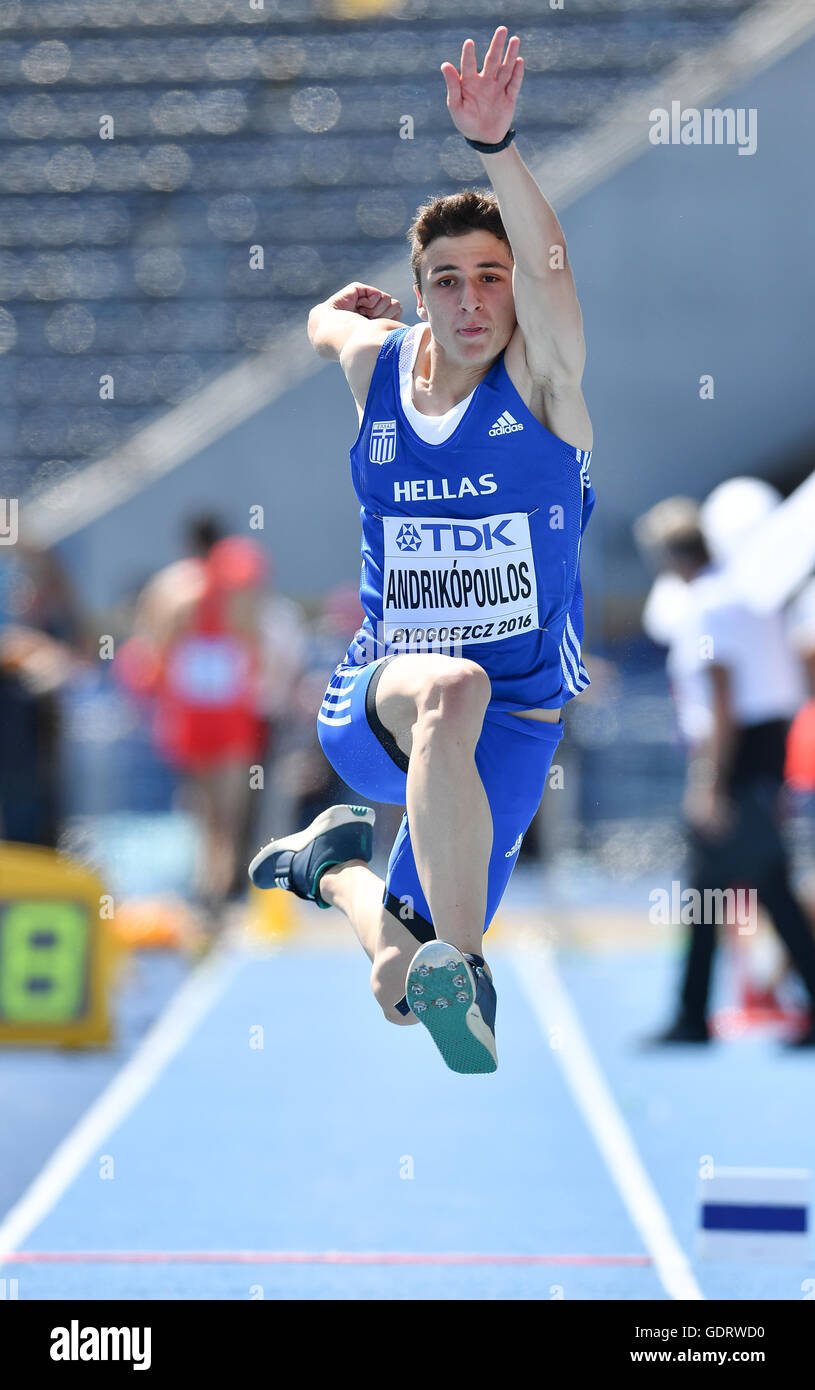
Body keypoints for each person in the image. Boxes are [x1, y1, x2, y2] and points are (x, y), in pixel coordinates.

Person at [250, 27, 595, 1074]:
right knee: (448, 682)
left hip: (519, 716)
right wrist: (335, 310)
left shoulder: (546, 386)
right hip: (382, 702)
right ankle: (471, 964)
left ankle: (333, 868)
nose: (472, 300)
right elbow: (325, 327)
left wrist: (499, 149)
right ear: (422, 292)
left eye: (491, 278)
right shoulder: (382, 372)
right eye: (446, 281)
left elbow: (550, 267)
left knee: (399, 994)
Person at [635, 490, 815, 1047]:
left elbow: (721, 701)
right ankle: (691, 1013)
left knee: (762, 892)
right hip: (762, 752)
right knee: (722, 893)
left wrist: (709, 784)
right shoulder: (744, 597)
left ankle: (692, 1016)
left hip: (737, 762)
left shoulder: (708, 606)